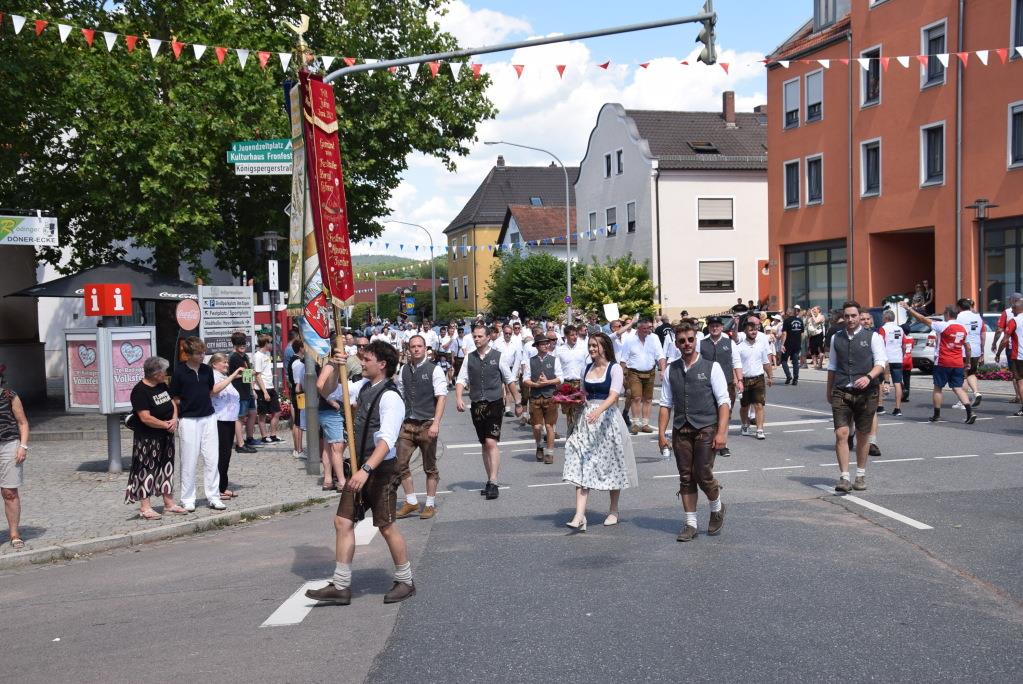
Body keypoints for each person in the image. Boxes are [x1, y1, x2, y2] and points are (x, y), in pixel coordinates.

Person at [305, 340, 416, 606]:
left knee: (386, 525)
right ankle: (341, 586)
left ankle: (406, 580)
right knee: (343, 522)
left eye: (367, 359)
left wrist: (365, 470)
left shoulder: (390, 396)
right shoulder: (363, 386)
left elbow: (386, 441)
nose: (362, 362)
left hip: (380, 470)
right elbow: (326, 391)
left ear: (382, 364)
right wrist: (334, 364)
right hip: (360, 466)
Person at [658, 322, 730, 542]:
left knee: (703, 474)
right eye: (682, 341)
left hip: (706, 427)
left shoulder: (712, 367)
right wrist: (662, 434)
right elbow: (665, 404)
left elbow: (724, 402)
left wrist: (722, 433)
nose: (686, 344)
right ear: (677, 344)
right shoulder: (671, 369)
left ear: (696, 339)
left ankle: (717, 507)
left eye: (690, 339)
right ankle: (691, 524)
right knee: (686, 477)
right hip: (682, 429)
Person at [562, 332, 636, 530]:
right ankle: (579, 515)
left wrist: (598, 411)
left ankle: (613, 510)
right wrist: (571, 401)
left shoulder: (615, 369)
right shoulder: (586, 368)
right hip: (586, 420)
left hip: (607, 420)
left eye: (595, 345)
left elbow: (613, 396)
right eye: (590, 345)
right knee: (581, 463)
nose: (592, 349)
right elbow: (583, 393)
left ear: (605, 346)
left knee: (612, 464)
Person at [827, 301, 888, 493]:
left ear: (859, 317)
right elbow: (832, 366)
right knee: (841, 433)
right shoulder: (836, 338)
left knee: (863, 434)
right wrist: (829, 390)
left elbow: (881, 363)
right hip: (842, 390)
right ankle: (844, 477)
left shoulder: (873, 337)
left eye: (854, 316)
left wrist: (869, 377)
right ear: (843, 318)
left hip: (866, 392)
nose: (850, 319)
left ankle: (860, 475)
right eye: (847, 316)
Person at [455, 323, 516, 500]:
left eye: (480, 336)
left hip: (495, 402)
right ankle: (489, 479)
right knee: (484, 443)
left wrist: (518, 401)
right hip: (476, 403)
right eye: (474, 336)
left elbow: (509, 379)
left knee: (491, 442)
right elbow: (461, 379)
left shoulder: (499, 356)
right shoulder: (469, 358)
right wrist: (459, 397)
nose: (477, 339)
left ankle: (494, 481)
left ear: (488, 337)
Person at [394, 334, 448, 520]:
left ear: (425, 348)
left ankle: (430, 504)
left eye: (419, 346)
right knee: (400, 463)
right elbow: (400, 394)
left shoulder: (435, 370)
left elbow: (441, 396)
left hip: (427, 423)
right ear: (408, 349)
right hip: (408, 424)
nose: (416, 349)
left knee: (429, 467)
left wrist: (436, 423)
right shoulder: (403, 370)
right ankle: (411, 501)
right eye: (413, 346)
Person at [169, 337, 225, 511]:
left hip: (208, 417)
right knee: (189, 460)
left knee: (211, 459)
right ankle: (187, 498)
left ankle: (214, 496)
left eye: (203, 352)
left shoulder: (207, 370)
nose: (203, 356)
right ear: (188, 355)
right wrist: (177, 416)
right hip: (189, 419)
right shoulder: (179, 372)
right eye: (199, 353)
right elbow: (174, 397)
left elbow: (211, 391)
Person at [902, 303, 977, 425]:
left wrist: (909, 309)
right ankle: (970, 412)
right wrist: (967, 362)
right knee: (958, 388)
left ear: (947, 314)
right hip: (958, 362)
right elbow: (968, 347)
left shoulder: (943, 326)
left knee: (938, 388)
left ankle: (936, 415)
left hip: (943, 361)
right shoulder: (963, 328)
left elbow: (922, 319)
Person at [700, 316, 743, 457]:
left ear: (722, 327)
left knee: (726, 414)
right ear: (708, 327)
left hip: (727, 383)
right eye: (712, 325)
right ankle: (709, 441)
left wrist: (740, 380)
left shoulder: (729, 343)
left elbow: (736, 362)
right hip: (707, 384)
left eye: (717, 325)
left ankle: (723, 444)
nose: (714, 328)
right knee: (710, 414)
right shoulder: (701, 343)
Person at [620, 318, 667, 434]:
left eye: (649, 328)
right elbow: (623, 359)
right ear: (638, 328)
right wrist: (620, 375)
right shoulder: (630, 340)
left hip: (650, 372)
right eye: (645, 328)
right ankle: (636, 423)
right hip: (634, 372)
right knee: (636, 397)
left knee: (648, 399)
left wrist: (663, 370)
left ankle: (645, 424)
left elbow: (660, 355)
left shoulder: (654, 338)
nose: (647, 330)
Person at [523, 333, 564, 464]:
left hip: (550, 396)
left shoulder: (554, 359)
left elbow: (560, 378)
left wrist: (547, 382)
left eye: (547, 343)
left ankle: (550, 453)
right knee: (536, 427)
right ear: (537, 346)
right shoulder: (531, 361)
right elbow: (525, 379)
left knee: (549, 426)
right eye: (543, 343)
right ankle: (539, 445)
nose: (546, 345)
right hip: (535, 396)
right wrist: (535, 384)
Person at [1, 380, 31, 547]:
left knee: (9, 492)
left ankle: (14, 534)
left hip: (8, 445)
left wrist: (23, 446)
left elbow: (23, 422)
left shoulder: (9, 396)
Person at [209, 353, 243, 500]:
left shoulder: (222, 376)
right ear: (215, 364)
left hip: (229, 419)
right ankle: (217, 488)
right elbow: (215, 390)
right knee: (221, 454)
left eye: (227, 363)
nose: (227, 365)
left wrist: (238, 376)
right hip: (219, 420)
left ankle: (223, 486)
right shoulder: (213, 375)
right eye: (224, 362)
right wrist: (233, 375)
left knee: (226, 454)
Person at [736, 315, 774, 440]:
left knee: (759, 405)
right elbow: (735, 365)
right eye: (751, 329)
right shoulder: (739, 347)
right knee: (745, 406)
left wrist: (770, 376)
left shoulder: (761, 345)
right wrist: (737, 380)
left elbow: (766, 363)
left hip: (758, 378)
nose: (753, 332)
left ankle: (760, 429)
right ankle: (745, 424)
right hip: (745, 379)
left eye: (755, 329)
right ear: (746, 331)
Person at [555, 324, 590, 438]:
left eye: (575, 334)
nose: (574, 337)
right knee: (568, 411)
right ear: (566, 336)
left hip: (579, 383)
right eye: (572, 335)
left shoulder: (583, 348)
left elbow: (588, 365)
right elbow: (557, 368)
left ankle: (578, 434)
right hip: (566, 383)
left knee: (580, 409)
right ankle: (571, 433)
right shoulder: (560, 350)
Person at [228, 332, 258, 452]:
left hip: (247, 390)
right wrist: (249, 373)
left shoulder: (244, 356)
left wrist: (252, 389)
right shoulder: (234, 357)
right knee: (239, 417)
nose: (242, 345)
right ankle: (240, 444)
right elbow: (231, 376)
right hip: (239, 390)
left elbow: (248, 374)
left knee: (252, 413)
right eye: (239, 343)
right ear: (234, 345)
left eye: (243, 343)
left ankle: (248, 439)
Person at [995, 296, 1023, 416]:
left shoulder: (1014, 321)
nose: (1011, 311)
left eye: (1013, 308)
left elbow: (1005, 340)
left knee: (1020, 382)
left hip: (1019, 355)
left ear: (1018, 308)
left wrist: (998, 353)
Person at [956, 298, 985, 408]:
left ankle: (963, 401)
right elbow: (983, 335)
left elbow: (956, 331)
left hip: (963, 350)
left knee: (962, 376)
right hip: (976, 349)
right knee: (971, 373)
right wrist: (982, 351)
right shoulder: (978, 317)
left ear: (959, 307)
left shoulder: (959, 317)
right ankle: (976, 392)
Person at [253, 334, 282, 444]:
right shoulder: (258, 356)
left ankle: (273, 435)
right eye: (270, 342)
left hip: (270, 386)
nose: (271, 344)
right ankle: (264, 436)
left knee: (277, 412)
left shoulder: (267, 354)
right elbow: (257, 375)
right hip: (262, 388)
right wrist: (264, 392)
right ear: (265, 343)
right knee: (262, 414)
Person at [878, 310, 906, 417]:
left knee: (881, 382)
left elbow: (881, 343)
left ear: (885, 318)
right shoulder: (900, 329)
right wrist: (901, 355)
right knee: (897, 383)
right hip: (897, 358)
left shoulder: (883, 329)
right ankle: (897, 408)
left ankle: (880, 406)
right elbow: (904, 345)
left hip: (886, 358)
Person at [493, 323, 523, 418]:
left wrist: (514, 374)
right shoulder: (497, 342)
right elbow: (492, 356)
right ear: (503, 332)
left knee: (508, 388)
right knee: (499, 388)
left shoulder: (516, 343)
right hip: (498, 368)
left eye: (510, 333)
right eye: (506, 333)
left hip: (510, 368)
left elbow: (518, 359)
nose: (508, 335)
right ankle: (499, 406)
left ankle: (508, 409)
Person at [287, 339, 305, 460]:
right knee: (298, 422)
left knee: (299, 421)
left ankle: (298, 448)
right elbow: (298, 383)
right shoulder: (297, 362)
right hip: (299, 394)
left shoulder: (295, 360)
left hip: (297, 393)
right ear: (301, 348)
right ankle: (298, 449)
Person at [780, 307, 804, 385]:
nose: (786, 313)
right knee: (795, 362)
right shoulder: (800, 320)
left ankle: (788, 376)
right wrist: (800, 343)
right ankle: (795, 379)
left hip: (788, 344)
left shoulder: (786, 321)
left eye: (786, 311)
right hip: (797, 344)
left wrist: (782, 345)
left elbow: (784, 333)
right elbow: (802, 333)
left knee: (783, 360)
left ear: (789, 313)